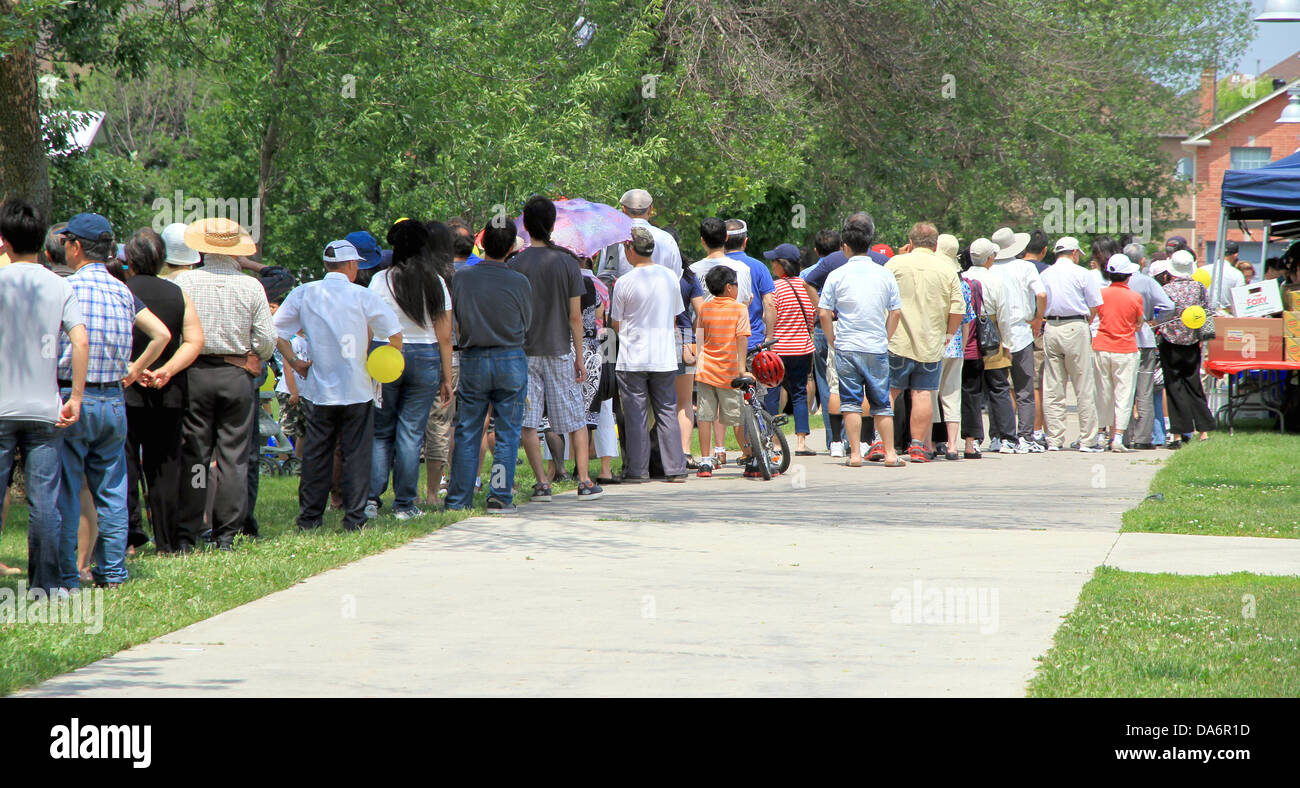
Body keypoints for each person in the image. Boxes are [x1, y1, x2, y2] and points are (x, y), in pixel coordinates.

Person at [56, 213, 172, 587]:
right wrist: (135, 369)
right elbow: (161, 334)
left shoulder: (67, 288)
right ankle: (113, 571)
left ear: (74, 246)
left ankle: (69, 573)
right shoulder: (123, 291)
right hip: (113, 400)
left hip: (72, 396)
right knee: (112, 490)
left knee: (70, 488)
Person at [276, 240, 403, 531]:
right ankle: (354, 519)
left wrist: (295, 362)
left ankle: (309, 518)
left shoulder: (305, 292)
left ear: (326, 265)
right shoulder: (362, 295)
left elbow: (275, 331)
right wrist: (385, 361)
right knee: (357, 454)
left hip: (320, 391)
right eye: (356, 263)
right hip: (357, 388)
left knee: (316, 455)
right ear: (349, 265)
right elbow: (394, 334)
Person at [0, 199, 89, 592]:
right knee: (45, 505)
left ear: (4, 241)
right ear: (43, 239)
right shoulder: (60, 284)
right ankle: (47, 586)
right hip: (45, 409)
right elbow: (80, 339)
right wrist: (78, 398)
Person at [174, 217, 275, 551]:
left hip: (195, 373)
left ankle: (190, 530)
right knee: (234, 457)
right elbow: (267, 341)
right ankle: (226, 534)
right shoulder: (251, 286)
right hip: (236, 375)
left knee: (196, 455)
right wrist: (252, 354)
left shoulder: (185, 282)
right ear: (236, 250)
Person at [509, 196, 603, 502]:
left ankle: (542, 483)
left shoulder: (515, 263)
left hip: (525, 352)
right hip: (560, 348)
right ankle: (585, 481)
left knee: (529, 420)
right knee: (575, 417)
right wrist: (579, 357)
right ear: (552, 225)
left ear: (525, 225)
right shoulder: (566, 262)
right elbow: (575, 317)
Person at [122, 228, 205, 555]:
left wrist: (135, 368)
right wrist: (167, 370)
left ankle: (128, 536)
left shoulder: (122, 291)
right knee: (166, 467)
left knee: (126, 465)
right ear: (161, 259)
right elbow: (194, 341)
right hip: (168, 391)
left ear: (128, 259)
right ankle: (168, 540)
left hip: (127, 389)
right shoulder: (177, 293)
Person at [367, 221, 453, 520]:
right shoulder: (436, 282)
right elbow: (445, 336)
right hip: (425, 356)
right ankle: (404, 504)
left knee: (380, 432)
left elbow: (369, 327)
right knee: (411, 433)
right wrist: (447, 377)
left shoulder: (379, 281)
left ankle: (371, 501)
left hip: (385, 355)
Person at [445, 218, 533, 514]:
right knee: (507, 433)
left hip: (473, 358)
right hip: (510, 357)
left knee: (468, 430)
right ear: (511, 248)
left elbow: (454, 320)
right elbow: (527, 324)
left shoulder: (462, 278)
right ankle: (499, 494)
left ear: (480, 243)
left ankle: (458, 498)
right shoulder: (520, 281)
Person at [818, 221, 903, 467]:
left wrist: (832, 339)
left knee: (850, 401)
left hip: (847, 345)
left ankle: (855, 455)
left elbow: (824, 313)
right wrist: (885, 337)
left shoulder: (837, 275)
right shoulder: (885, 273)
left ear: (845, 247)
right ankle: (890, 454)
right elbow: (895, 312)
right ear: (870, 245)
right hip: (875, 345)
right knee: (882, 403)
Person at [610, 227, 687, 483]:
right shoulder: (670, 278)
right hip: (664, 356)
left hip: (633, 358)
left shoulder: (624, 282)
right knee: (667, 411)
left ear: (631, 250)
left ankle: (638, 471)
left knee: (635, 415)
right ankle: (675, 468)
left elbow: (616, 324)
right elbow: (675, 316)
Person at [885, 222, 965, 463]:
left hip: (897, 340)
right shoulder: (946, 268)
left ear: (910, 241)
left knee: (890, 391)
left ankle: (883, 443)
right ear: (936, 243)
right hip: (931, 343)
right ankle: (919, 447)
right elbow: (958, 308)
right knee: (922, 393)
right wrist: (948, 337)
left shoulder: (894, 264)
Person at [1039, 236, 1104, 452]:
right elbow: (1094, 306)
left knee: (1053, 386)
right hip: (1076, 325)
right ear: (1074, 253)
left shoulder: (1046, 274)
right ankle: (1087, 440)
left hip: (1052, 327)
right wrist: (1087, 322)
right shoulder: (1082, 273)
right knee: (1083, 384)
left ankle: (1054, 439)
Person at [991, 227, 1047, 453]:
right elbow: (1041, 294)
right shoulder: (1026, 267)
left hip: (995, 334)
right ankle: (1025, 436)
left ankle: (999, 436)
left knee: (999, 389)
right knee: (1024, 389)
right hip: (1022, 331)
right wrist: (1038, 319)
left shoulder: (990, 269)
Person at [960, 239, 1017, 456]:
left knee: (970, 390)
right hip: (991, 333)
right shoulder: (996, 280)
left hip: (969, 335)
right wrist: (1007, 343)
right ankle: (1006, 438)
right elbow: (1003, 316)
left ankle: (972, 439)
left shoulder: (964, 278)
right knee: (999, 387)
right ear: (990, 259)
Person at [693, 265, 749, 477]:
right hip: (729, 372)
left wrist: (700, 359)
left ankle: (706, 461)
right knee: (737, 417)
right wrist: (742, 369)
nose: (737, 288)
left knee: (706, 416)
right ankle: (749, 455)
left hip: (706, 371)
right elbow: (742, 339)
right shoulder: (739, 309)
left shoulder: (705, 309)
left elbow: (699, 337)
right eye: (736, 284)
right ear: (728, 288)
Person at [1155, 251, 1215, 447]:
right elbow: (1206, 312)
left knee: (1174, 387)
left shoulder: (1166, 289)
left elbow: (1162, 315)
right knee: (1194, 385)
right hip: (1192, 343)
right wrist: (1204, 338)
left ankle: (1179, 435)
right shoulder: (1198, 287)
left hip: (1170, 342)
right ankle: (1204, 430)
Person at [762, 244, 818, 455]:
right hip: (803, 349)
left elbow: (768, 317)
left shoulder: (775, 289)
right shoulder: (806, 287)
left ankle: (776, 442)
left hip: (778, 350)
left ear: (781, 264)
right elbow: (813, 315)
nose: (771, 265)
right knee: (800, 393)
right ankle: (801, 443)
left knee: (773, 394)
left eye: (773, 262)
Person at [1092, 254, 1146, 452]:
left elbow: (1093, 316)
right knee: (1123, 394)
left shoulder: (1100, 294)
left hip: (1101, 345)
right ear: (1128, 275)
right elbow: (1139, 324)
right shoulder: (1135, 297)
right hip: (1125, 349)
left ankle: (1100, 434)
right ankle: (1118, 437)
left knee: (1102, 392)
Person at [1122, 243, 1174, 450]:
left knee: (1124, 391)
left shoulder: (1116, 281)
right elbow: (1169, 305)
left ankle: (1124, 436)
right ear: (1142, 261)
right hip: (1144, 338)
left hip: (1122, 341)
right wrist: (1155, 320)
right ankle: (1144, 438)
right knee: (1144, 391)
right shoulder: (1147, 282)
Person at [932, 235, 973, 460]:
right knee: (952, 395)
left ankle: (929, 443)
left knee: (930, 394)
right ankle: (952, 445)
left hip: (933, 345)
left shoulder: (934, 281)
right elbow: (966, 322)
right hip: (955, 346)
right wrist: (962, 347)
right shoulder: (963, 284)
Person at [724, 219, 776, 354]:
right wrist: (769, 337)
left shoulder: (715, 266)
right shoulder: (759, 267)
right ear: (745, 241)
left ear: (723, 240)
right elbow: (769, 303)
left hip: (722, 344)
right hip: (753, 343)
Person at [675, 254, 707, 466]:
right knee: (685, 400)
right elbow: (701, 311)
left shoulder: (656, 274)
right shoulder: (688, 277)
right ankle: (685, 453)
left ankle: (660, 455)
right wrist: (694, 336)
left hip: (653, 337)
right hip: (686, 339)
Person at [612, 189, 683, 277]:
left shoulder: (612, 239)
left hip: (621, 290)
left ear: (623, 210)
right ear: (650, 210)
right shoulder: (667, 239)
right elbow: (677, 276)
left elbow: (605, 276)